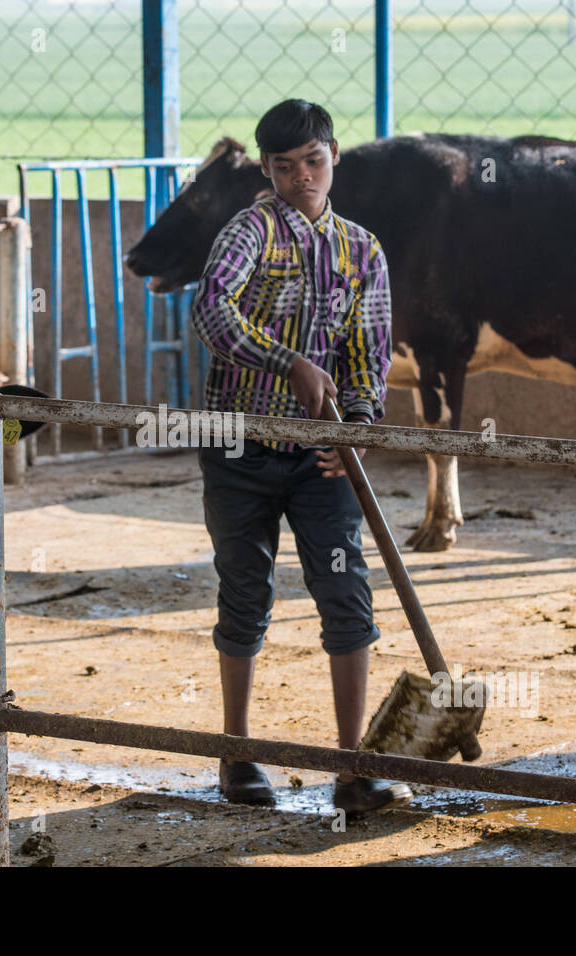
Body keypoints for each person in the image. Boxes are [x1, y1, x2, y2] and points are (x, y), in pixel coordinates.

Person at [190, 98, 410, 814]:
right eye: (284, 165)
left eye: (313, 160)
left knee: (346, 594)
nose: (301, 176)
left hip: (323, 458)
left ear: (334, 155)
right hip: (240, 450)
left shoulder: (362, 250)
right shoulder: (249, 231)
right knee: (246, 590)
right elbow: (211, 311)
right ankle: (237, 754)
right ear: (266, 168)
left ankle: (353, 766)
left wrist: (360, 430)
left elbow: (366, 353)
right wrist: (288, 362)